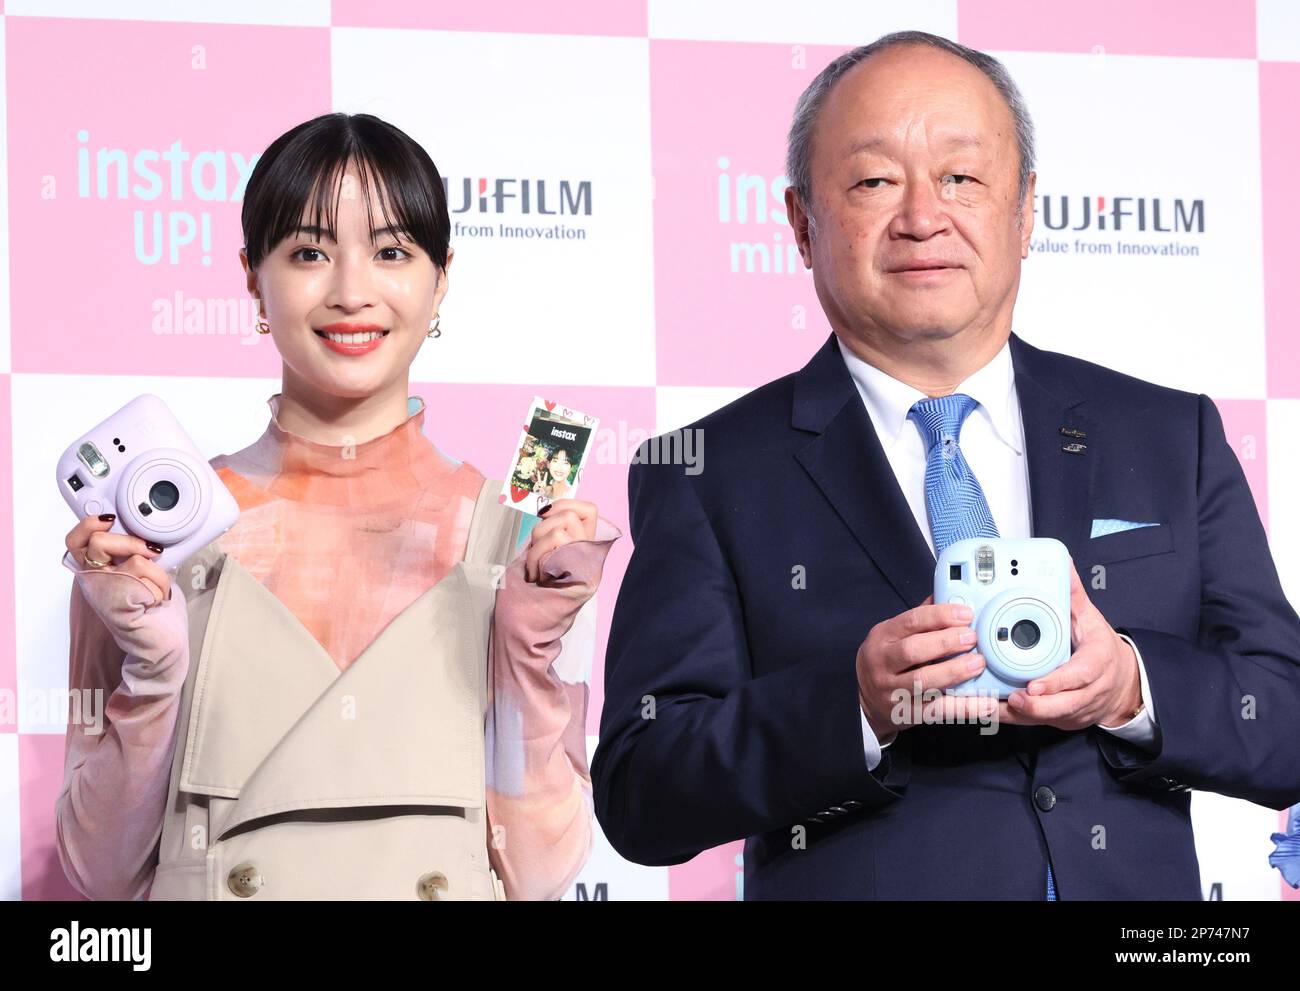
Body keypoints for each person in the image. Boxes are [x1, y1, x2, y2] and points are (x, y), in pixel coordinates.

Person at [591, 31, 1300, 899]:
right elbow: (641, 787)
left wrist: (1131, 685)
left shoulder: (1168, 434)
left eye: (962, 177)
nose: (923, 216)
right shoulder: (706, 472)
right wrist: (853, 705)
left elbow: (1286, 719)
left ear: (1026, 208)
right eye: (873, 181)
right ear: (801, 223)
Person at [55, 112, 621, 901]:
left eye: (392, 252)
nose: (352, 292)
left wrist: (525, 648)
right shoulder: (149, 544)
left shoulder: (523, 538)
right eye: (309, 253)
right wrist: (152, 670)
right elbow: (98, 868)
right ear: (252, 275)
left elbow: (540, 868)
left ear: (441, 278)